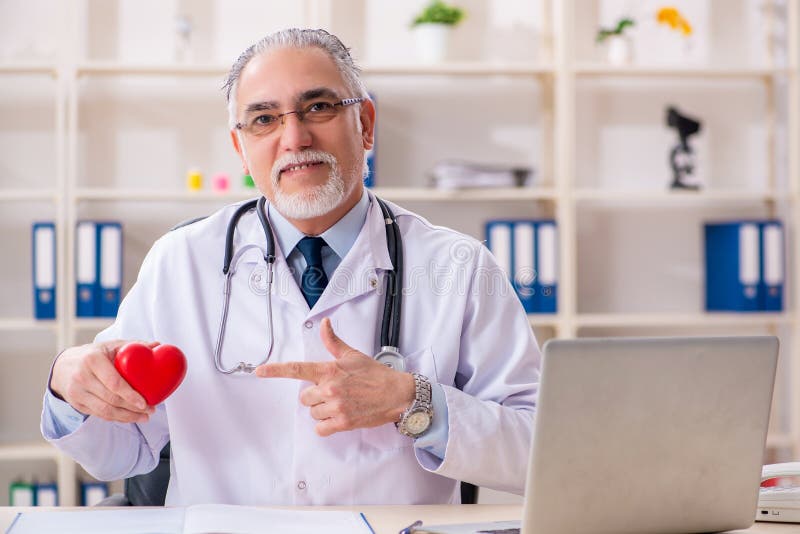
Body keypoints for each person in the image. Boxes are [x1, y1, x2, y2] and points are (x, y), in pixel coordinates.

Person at [41, 28, 541, 506]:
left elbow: (537, 450)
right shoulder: (182, 261)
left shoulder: (458, 265)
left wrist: (414, 401)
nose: (294, 137)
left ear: (365, 124)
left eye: (318, 107)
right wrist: (68, 384)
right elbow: (117, 452)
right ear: (240, 148)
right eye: (264, 119)